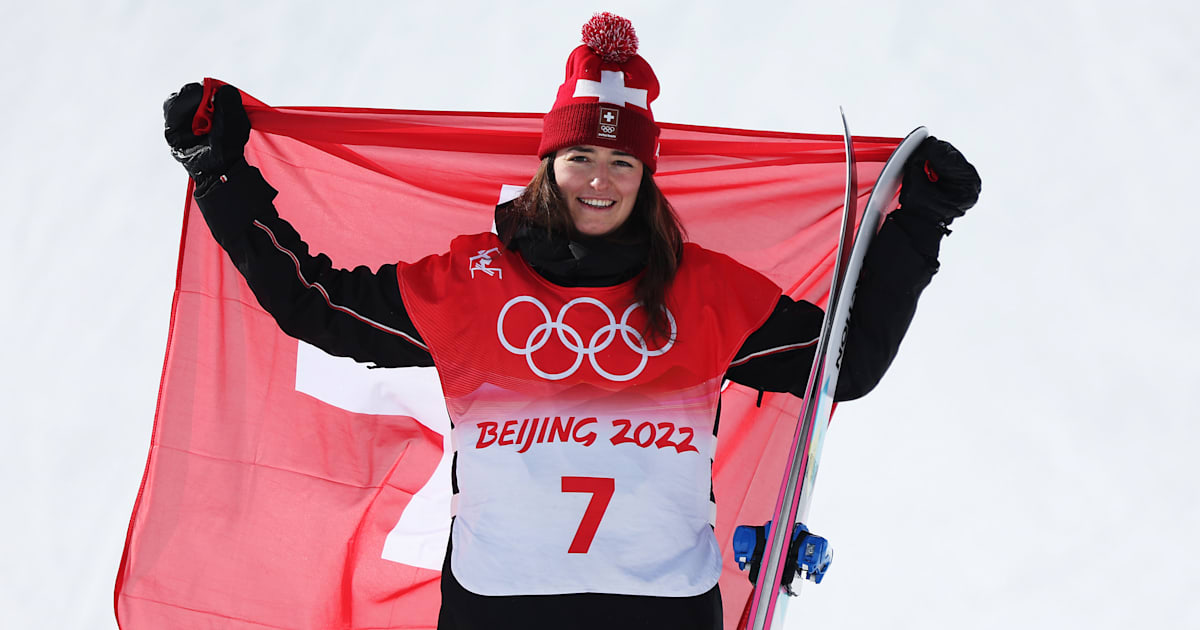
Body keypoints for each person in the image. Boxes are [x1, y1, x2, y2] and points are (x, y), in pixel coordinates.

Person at [163, 13, 979, 630]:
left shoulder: (704, 291)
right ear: (548, 165)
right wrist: (221, 177)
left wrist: (921, 223)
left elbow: (846, 364)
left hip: (662, 608)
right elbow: (318, 303)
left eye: (622, 161)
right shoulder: (474, 283)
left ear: (646, 177)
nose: (600, 179)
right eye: (581, 156)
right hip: (500, 607)